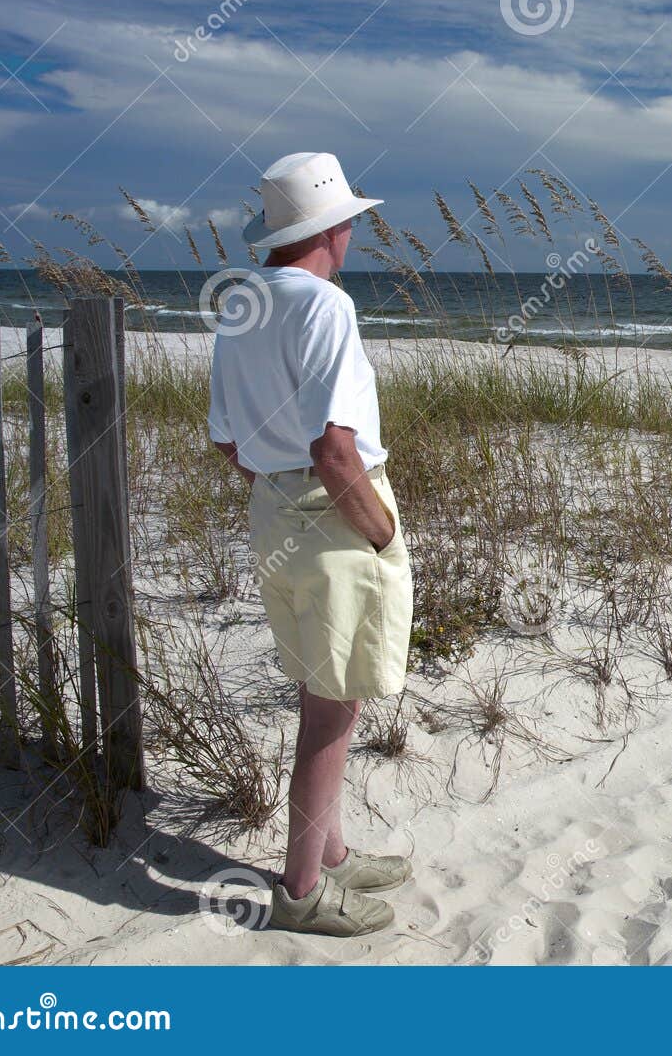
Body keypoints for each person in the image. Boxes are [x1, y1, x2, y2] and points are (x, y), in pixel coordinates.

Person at [208, 151, 413, 937]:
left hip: (273, 509)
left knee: (321, 685)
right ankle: (300, 889)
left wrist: (278, 486)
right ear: (334, 227)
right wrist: (383, 531)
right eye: (351, 219)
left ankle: (328, 852)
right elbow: (336, 450)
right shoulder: (326, 305)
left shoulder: (241, 304)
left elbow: (228, 439)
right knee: (334, 705)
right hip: (333, 516)